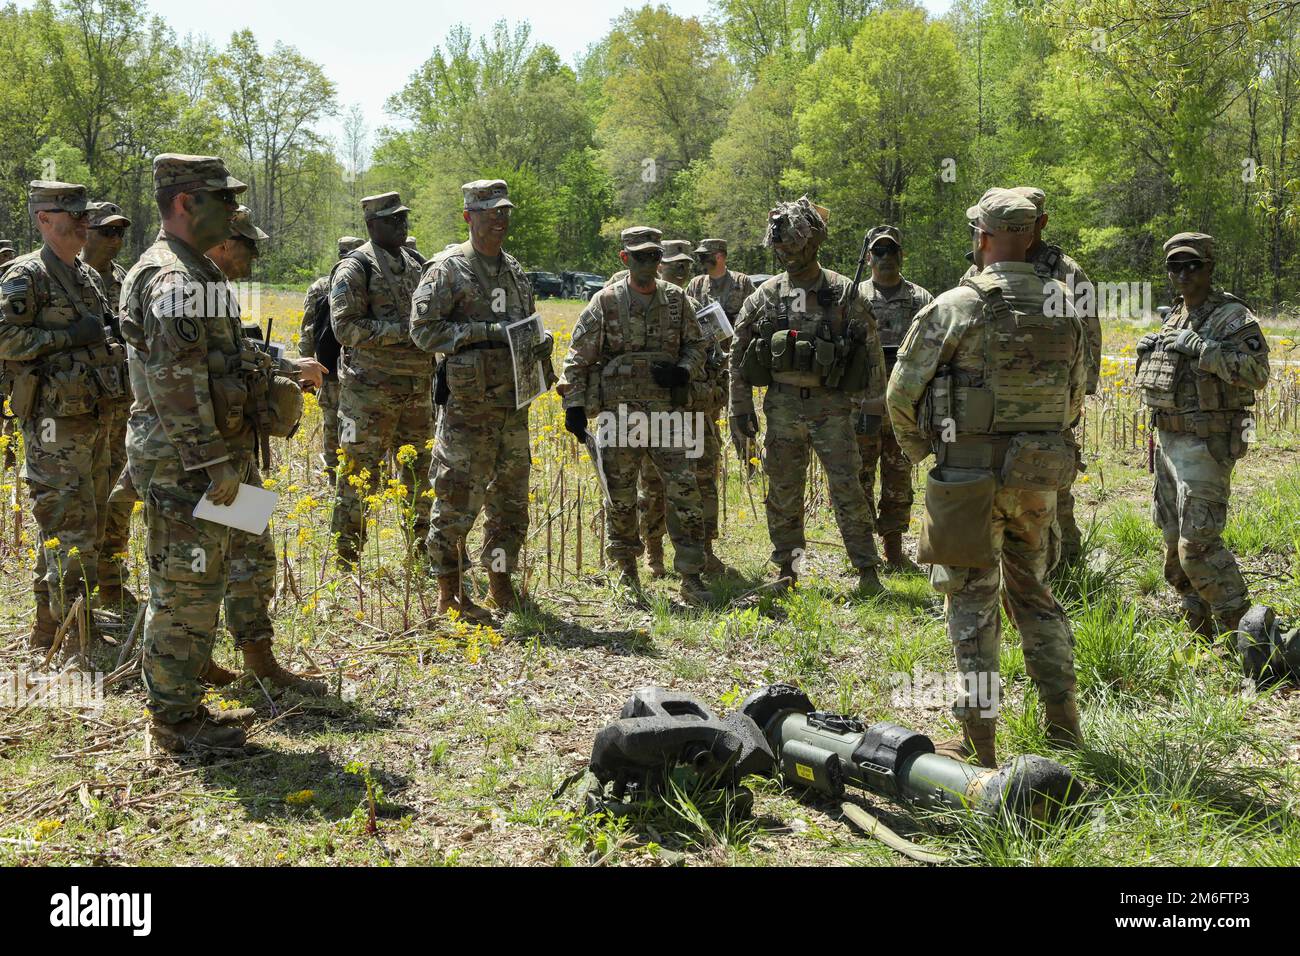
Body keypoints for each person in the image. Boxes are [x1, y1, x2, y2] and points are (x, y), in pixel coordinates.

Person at [887, 188, 1087, 766]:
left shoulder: (955, 306)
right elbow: (1073, 401)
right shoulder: (1064, 307)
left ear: (982, 237)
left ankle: (981, 747)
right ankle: (1064, 729)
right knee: (1036, 597)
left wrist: (922, 451)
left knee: (972, 610)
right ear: (1034, 233)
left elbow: (900, 396)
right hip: (1037, 479)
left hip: (967, 481)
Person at [117, 154, 260, 750]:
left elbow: (220, 359)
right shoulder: (174, 280)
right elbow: (176, 384)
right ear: (183, 204)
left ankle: (210, 675)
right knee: (185, 587)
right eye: (221, 201)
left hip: (214, 459)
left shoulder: (198, 273)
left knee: (230, 559)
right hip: (190, 466)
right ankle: (174, 721)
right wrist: (215, 465)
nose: (232, 213)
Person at [729, 197, 886, 595]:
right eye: (779, 248)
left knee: (848, 487)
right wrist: (740, 407)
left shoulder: (843, 292)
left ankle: (867, 571)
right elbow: (738, 353)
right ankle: (787, 569)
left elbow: (871, 354)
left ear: (812, 245)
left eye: (793, 248)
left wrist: (872, 407)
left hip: (833, 407)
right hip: (782, 406)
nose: (785, 255)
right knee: (783, 491)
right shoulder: (764, 296)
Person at [200, 205, 327, 696]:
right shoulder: (185, 287)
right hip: (203, 457)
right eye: (249, 245)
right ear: (225, 244)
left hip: (232, 448)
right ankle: (192, 665)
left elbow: (237, 353)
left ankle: (258, 659)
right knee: (198, 564)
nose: (254, 255)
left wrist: (287, 365)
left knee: (251, 552)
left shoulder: (217, 291)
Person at [412, 179, 551, 619]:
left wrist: (539, 346)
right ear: (468, 216)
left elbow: (527, 323)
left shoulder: (514, 270)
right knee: (455, 500)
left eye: (504, 212)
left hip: (513, 405)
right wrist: (480, 333)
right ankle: (449, 595)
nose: (499, 220)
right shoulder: (447, 270)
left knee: (509, 504)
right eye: (490, 212)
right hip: (468, 409)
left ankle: (501, 585)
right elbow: (422, 331)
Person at [559, 227, 710, 605]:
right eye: (640, 256)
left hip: (669, 415)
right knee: (620, 496)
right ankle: (626, 571)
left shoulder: (677, 300)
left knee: (684, 492)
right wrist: (574, 405)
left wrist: (684, 371)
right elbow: (578, 357)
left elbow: (698, 344)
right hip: (619, 416)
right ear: (624, 258)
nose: (649, 263)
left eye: (654, 256)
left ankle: (691, 574)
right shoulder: (605, 302)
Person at [0, 182, 122, 652]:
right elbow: (4, 338)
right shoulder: (27, 275)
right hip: (53, 421)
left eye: (84, 215)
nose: (82, 223)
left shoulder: (86, 276)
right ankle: (75, 635)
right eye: (71, 215)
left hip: (92, 416)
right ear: (43, 220)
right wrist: (67, 337)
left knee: (76, 524)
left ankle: (49, 627)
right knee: (68, 525)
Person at [1136, 232, 1270, 640]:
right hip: (1168, 443)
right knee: (1174, 548)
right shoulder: (1174, 315)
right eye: (1175, 267)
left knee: (1198, 548)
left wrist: (1204, 350)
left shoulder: (1232, 317)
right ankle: (1199, 631)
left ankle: (1252, 637)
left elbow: (1258, 373)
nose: (1182, 274)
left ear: (1209, 267)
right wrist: (1150, 353)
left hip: (1205, 443)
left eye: (1192, 265)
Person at [329, 192, 434, 566]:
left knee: (421, 474)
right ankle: (347, 558)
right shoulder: (356, 268)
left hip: (417, 390)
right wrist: (404, 332)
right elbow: (345, 327)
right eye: (392, 220)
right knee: (359, 475)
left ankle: (423, 551)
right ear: (372, 227)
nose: (401, 225)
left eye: (403, 218)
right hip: (369, 393)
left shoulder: (417, 264)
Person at [852, 225, 932, 572]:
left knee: (899, 479)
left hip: (904, 408)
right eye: (879, 252)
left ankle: (895, 550)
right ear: (869, 257)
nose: (885, 258)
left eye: (891, 252)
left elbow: (935, 349)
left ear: (901, 256)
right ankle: (863, 549)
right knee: (860, 476)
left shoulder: (921, 299)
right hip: (863, 405)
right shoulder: (855, 297)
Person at [80, 200, 138, 610]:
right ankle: (75, 588)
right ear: (85, 231)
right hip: (81, 408)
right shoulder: (70, 278)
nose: (115, 240)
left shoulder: (124, 279)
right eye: (107, 231)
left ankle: (111, 576)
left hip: (124, 404)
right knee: (82, 495)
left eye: (120, 232)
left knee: (120, 492)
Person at [299, 236, 364, 483]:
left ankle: (334, 474)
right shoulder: (363, 284)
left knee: (332, 420)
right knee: (350, 421)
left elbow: (307, 330)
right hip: (355, 368)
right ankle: (348, 472)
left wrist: (305, 365)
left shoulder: (321, 286)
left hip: (327, 367)